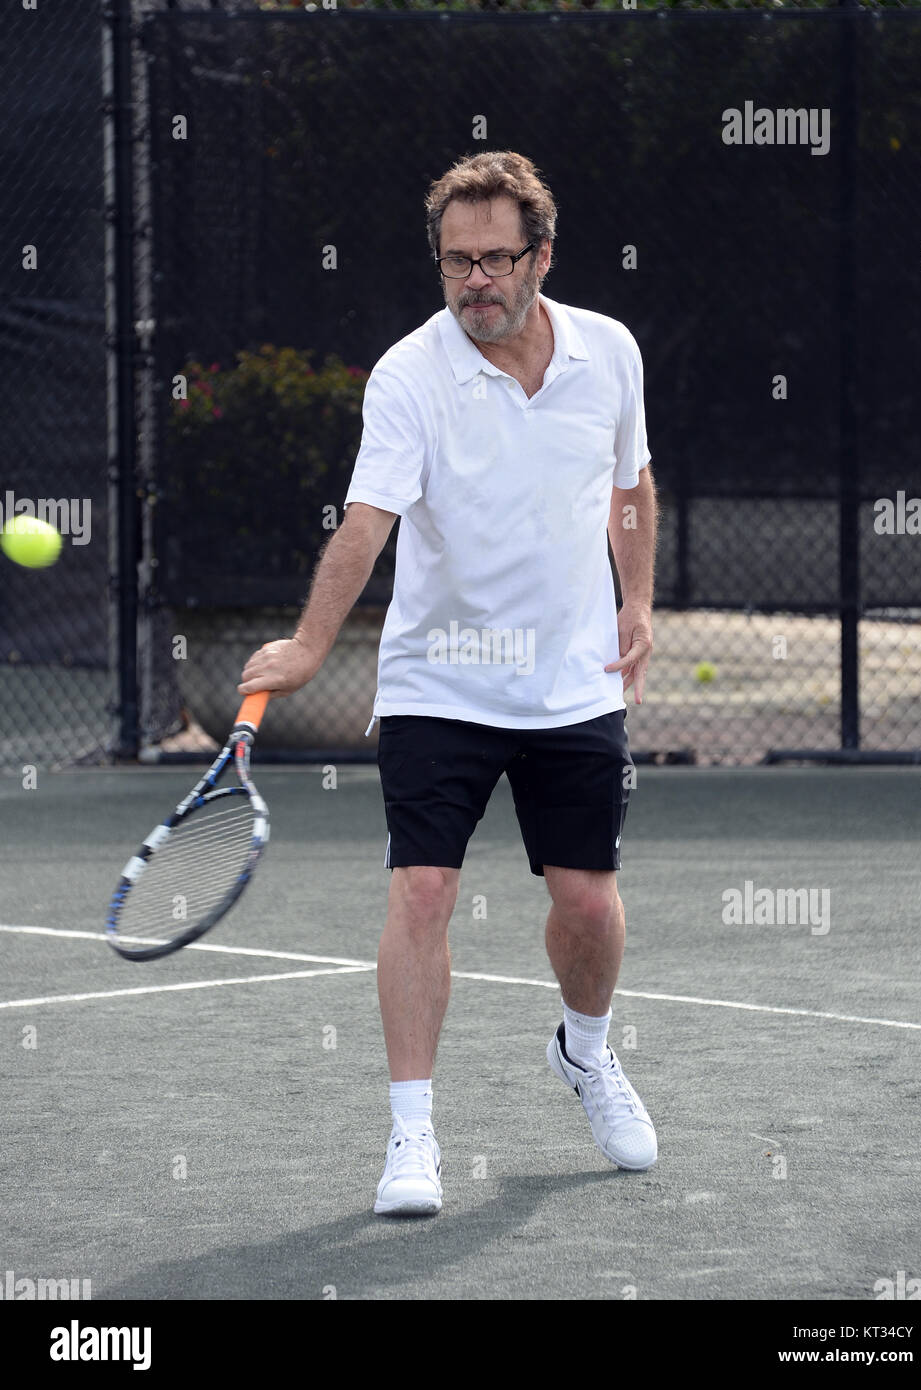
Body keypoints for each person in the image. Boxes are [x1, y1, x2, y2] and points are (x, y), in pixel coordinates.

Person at [239, 151, 658, 1217]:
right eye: (456, 260)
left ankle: (585, 1052)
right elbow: (366, 523)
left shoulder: (608, 351)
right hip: (442, 683)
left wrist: (637, 602)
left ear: (541, 256)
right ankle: (412, 1133)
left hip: (572, 682)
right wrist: (307, 645)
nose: (474, 280)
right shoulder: (407, 375)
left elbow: (631, 484)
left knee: (588, 903)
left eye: (495, 259)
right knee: (423, 890)